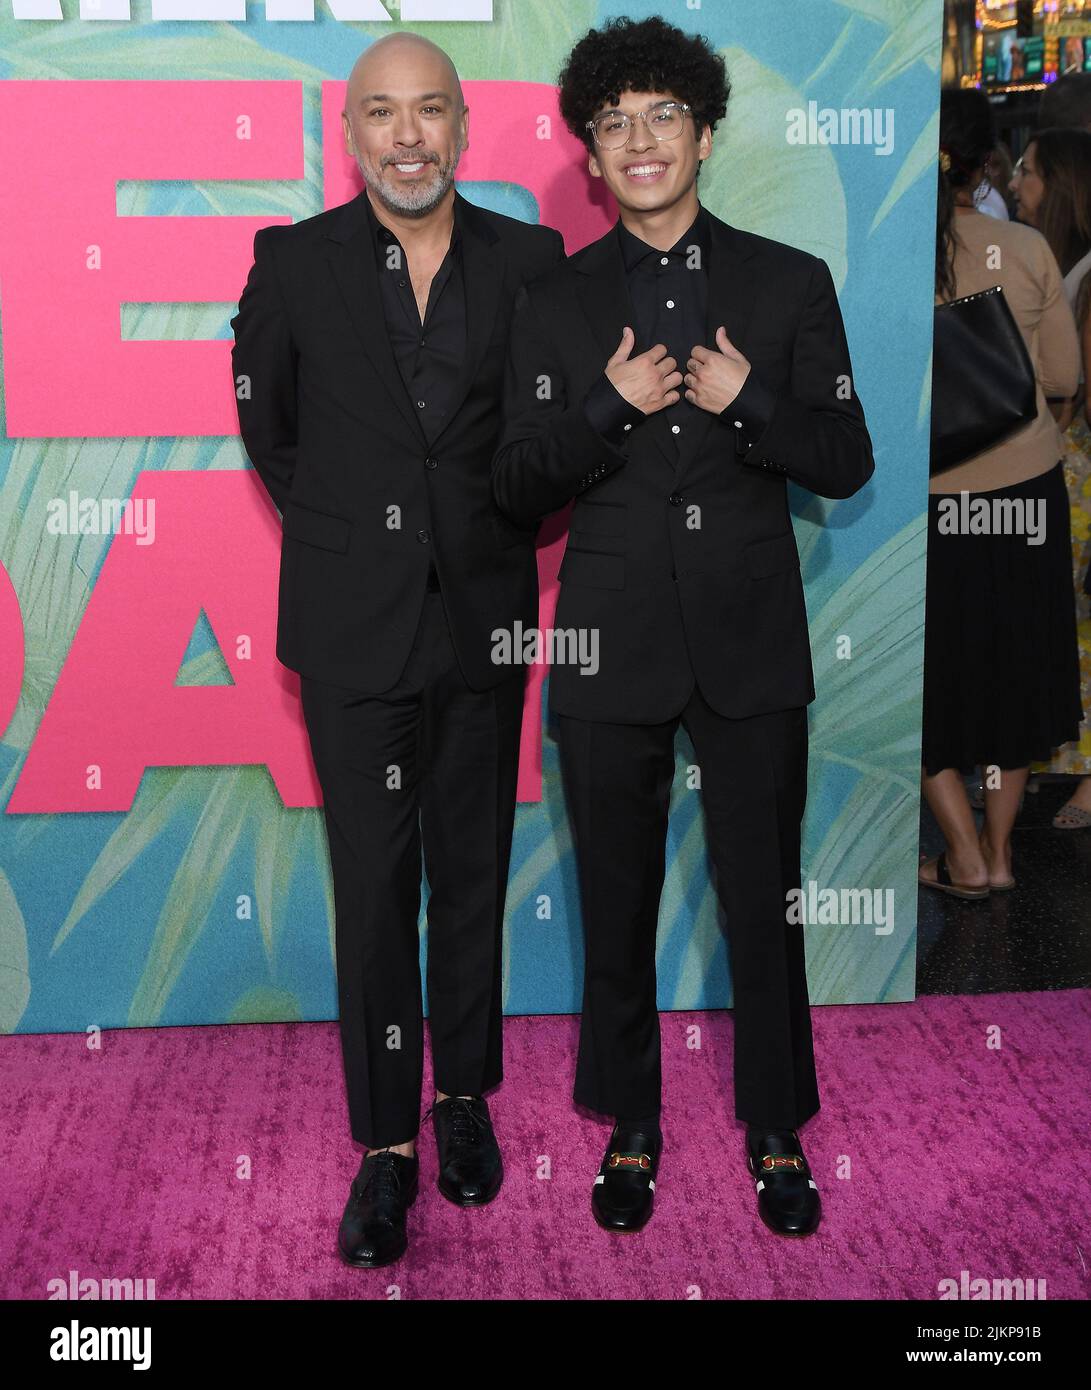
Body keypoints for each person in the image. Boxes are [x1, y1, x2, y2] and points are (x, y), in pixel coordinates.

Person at [492, 15, 874, 1238]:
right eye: (616, 123)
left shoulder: (786, 281)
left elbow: (845, 457)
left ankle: (773, 1128)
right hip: (606, 646)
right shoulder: (549, 301)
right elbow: (513, 484)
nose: (641, 140)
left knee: (762, 896)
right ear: (592, 158)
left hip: (750, 637)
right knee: (615, 902)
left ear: (704, 135)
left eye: (663, 116)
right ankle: (630, 1123)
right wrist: (603, 409)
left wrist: (745, 397)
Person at [230, 32, 562, 1268]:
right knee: (373, 887)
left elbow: (543, 438)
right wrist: (358, 533)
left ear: (463, 127)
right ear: (350, 131)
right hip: (354, 624)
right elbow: (269, 424)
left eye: (429, 110)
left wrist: (478, 531)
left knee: (471, 867)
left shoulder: (529, 260)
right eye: (382, 112)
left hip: (481, 614)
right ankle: (385, 1146)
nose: (407, 134)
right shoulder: (295, 261)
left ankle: (462, 1095)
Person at [918, 89, 1082, 899]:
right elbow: (1060, 379)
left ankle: (961, 855)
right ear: (983, 159)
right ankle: (1001, 850)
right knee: (1015, 670)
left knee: (930, 676)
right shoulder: (1022, 248)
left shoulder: (888, 259)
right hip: (1026, 492)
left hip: (929, 505)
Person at [1014, 128, 1091, 825]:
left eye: (1030, 172)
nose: (1017, 183)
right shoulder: (1052, 261)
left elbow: (1073, 385)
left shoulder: (1084, 273)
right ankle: (1057, 756)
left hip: (1072, 462)